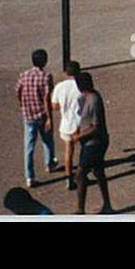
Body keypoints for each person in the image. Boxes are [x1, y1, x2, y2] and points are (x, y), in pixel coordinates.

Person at [73, 72, 113, 214]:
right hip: (91, 141)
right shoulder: (86, 98)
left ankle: (80, 209)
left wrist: (79, 136)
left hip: (95, 142)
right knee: (98, 171)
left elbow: (96, 126)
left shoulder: (94, 100)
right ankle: (107, 205)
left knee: (80, 172)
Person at [15, 49, 56, 188]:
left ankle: (29, 176)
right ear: (45, 61)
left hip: (28, 115)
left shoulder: (23, 75)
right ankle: (49, 163)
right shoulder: (46, 76)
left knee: (29, 147)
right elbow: (47, 98)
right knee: (47, 140)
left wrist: (22, 105)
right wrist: (50, 117)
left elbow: (18, 91)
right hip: (42, 114)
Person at [50, 59, 83, 190]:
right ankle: (82, 175)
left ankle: (68, 178)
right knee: (83, 152)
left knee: (68, 152)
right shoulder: (81, 86)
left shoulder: (60, 86)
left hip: (66, 124)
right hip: (80, 124)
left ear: (65, 73)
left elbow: (55, 106)